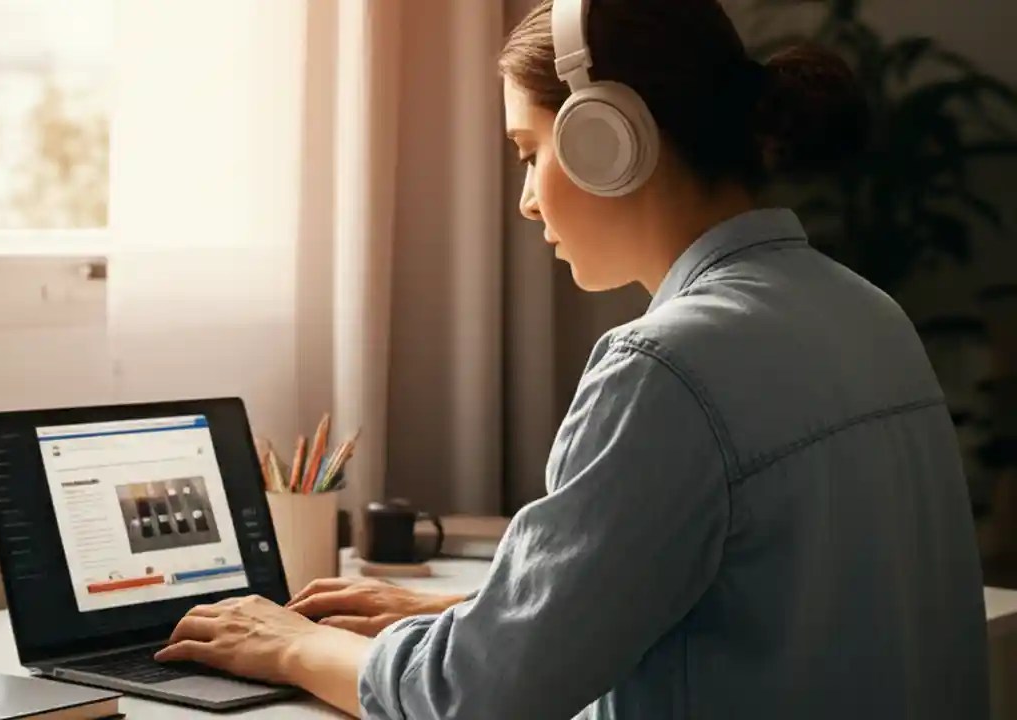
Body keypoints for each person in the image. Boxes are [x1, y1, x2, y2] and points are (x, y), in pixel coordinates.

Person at [154, 0, 990, 717]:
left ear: (606, 139)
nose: (525, 199)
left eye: (529, 152)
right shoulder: (869, 314)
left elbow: (479, 699)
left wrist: (292, 644)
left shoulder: (667, 368)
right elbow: (762, 601)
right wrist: (478, 612)